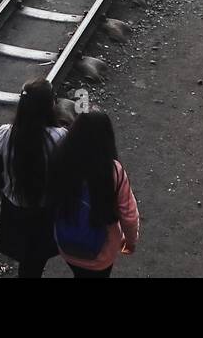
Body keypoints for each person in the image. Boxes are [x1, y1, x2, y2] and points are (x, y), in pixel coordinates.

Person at [0, 78, 67, 278]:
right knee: (34, 264)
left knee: (26, 262)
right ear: (50, 106)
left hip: (14, 213)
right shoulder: (60, 138)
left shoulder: (4, 136)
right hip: (45, 214)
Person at [49, 111, 140, 278]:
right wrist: (130, 242)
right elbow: (129, 216)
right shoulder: (113, 171)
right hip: (101, 254)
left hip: (66, 245)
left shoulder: (61, 160)